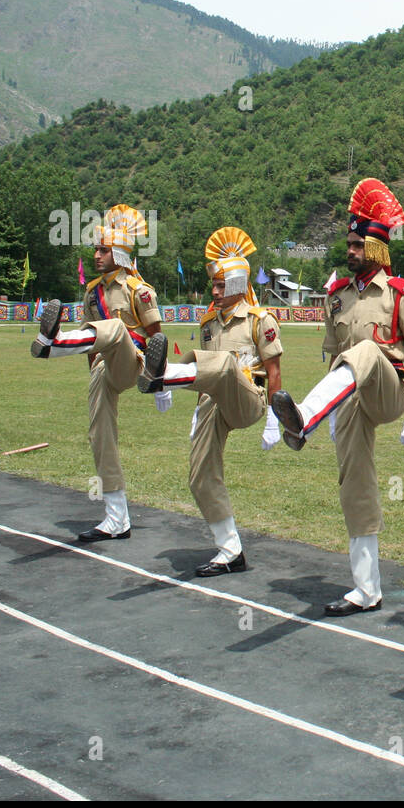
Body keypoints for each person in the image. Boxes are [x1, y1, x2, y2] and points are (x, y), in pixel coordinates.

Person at [269, 179, 404, 616]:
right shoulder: (336, 297)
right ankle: (366, 590)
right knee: (353, 484)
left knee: (364, 351)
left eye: (358, 244)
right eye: (349, 243)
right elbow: (334, 361)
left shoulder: (400, 294)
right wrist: (336, 407)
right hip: (351, 396)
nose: (351, 250)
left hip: (388, 388)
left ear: (377, 248)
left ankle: (303, 418)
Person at [137, 227, 283, 576]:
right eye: (213, 286)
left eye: (221, 285)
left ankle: (164, 374)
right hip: (213, 401)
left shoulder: (261, 320)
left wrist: (276, 420)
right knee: (200, 476)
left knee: (224, 363)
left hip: (248, 399)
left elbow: (275, 372)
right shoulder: (207, 325)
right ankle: (231, 550)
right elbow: (208, 377)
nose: (214, 292)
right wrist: (195, 412)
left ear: (235, 284)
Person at [30, 204, 163, 542]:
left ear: (119, 253)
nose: (96, 255)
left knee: (116, 330)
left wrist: (160, 382)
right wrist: (92, 373)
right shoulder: (91, 293)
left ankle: (52, 342)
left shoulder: (138, 290)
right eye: (96, 248)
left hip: (131, 362)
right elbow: (89, 342)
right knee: (99, 436)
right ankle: (117, 519)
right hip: (103, 365)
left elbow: (156, 337)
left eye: (103, 249)